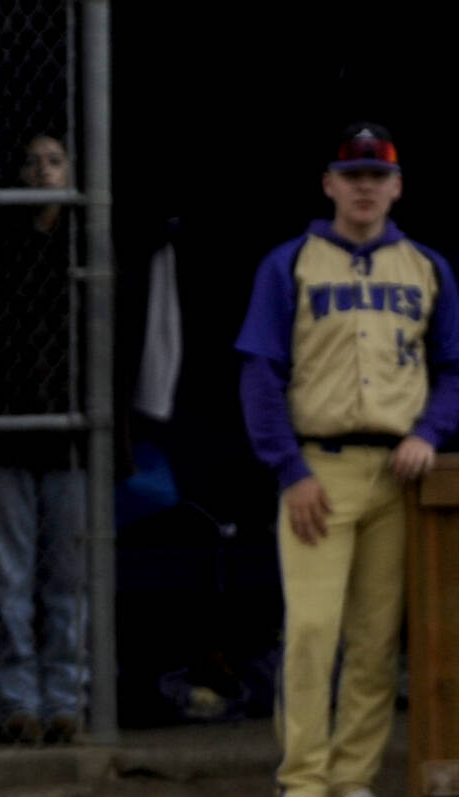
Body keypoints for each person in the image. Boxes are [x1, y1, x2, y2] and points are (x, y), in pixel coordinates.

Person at [235, 121, 459, 797]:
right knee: (309, 631)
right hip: (319, 470)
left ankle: (353, 776)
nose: (365, 187)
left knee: (375, 639)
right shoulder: (291, 262)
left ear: (397, 187)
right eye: (352, 175)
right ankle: (304, 780)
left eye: (378, 176)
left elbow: (452, 368)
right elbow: (261, 373)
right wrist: (289, 469)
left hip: (401, 472)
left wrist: (430, 431)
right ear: (329, 183)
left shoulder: (427, 267)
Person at [0, 132, 88, 745]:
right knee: (11, 580)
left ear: (71, 172)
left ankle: (67, 699)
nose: (42, 172)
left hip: (70, 436)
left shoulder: (87, 248)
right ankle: (19, 701)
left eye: (54, 162)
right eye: (31, 163)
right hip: (6, 432)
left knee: (69, 578)